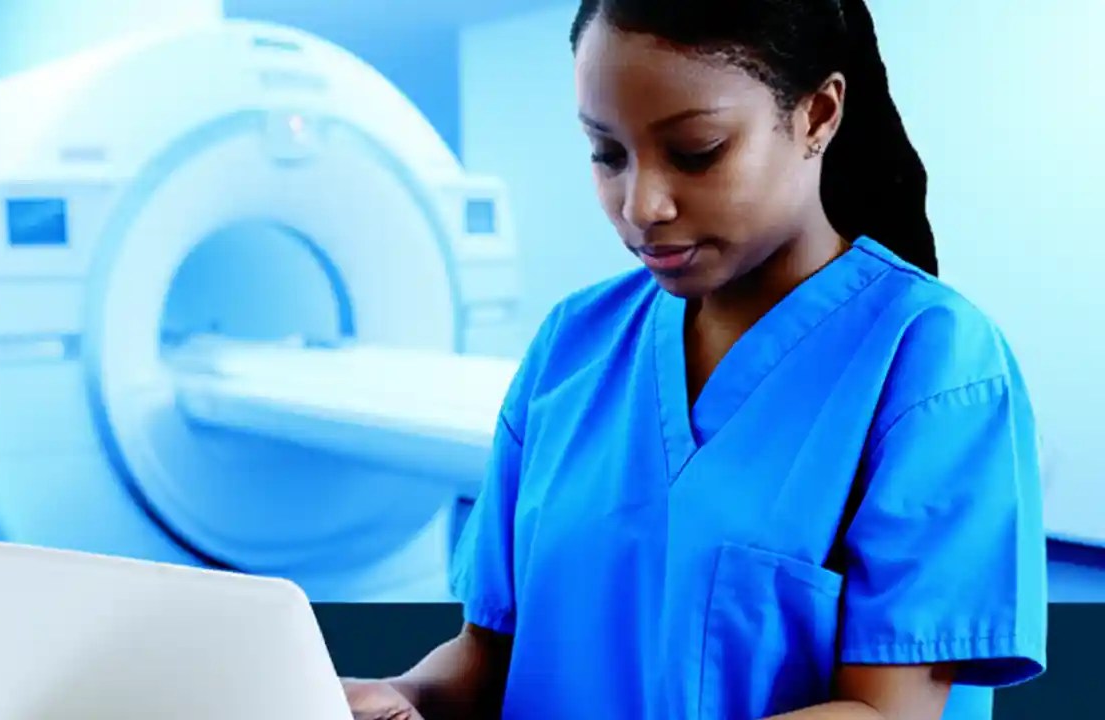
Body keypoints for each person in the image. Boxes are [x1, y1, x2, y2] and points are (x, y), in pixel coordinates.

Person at [346, 0, 1048, 717]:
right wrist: (399, 697)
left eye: (696, 151)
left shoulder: (932, 362)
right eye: (606, 153)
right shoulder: (571, 347)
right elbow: (487, 657)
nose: (641, 204)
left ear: (818, 115)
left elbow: (888, 713)